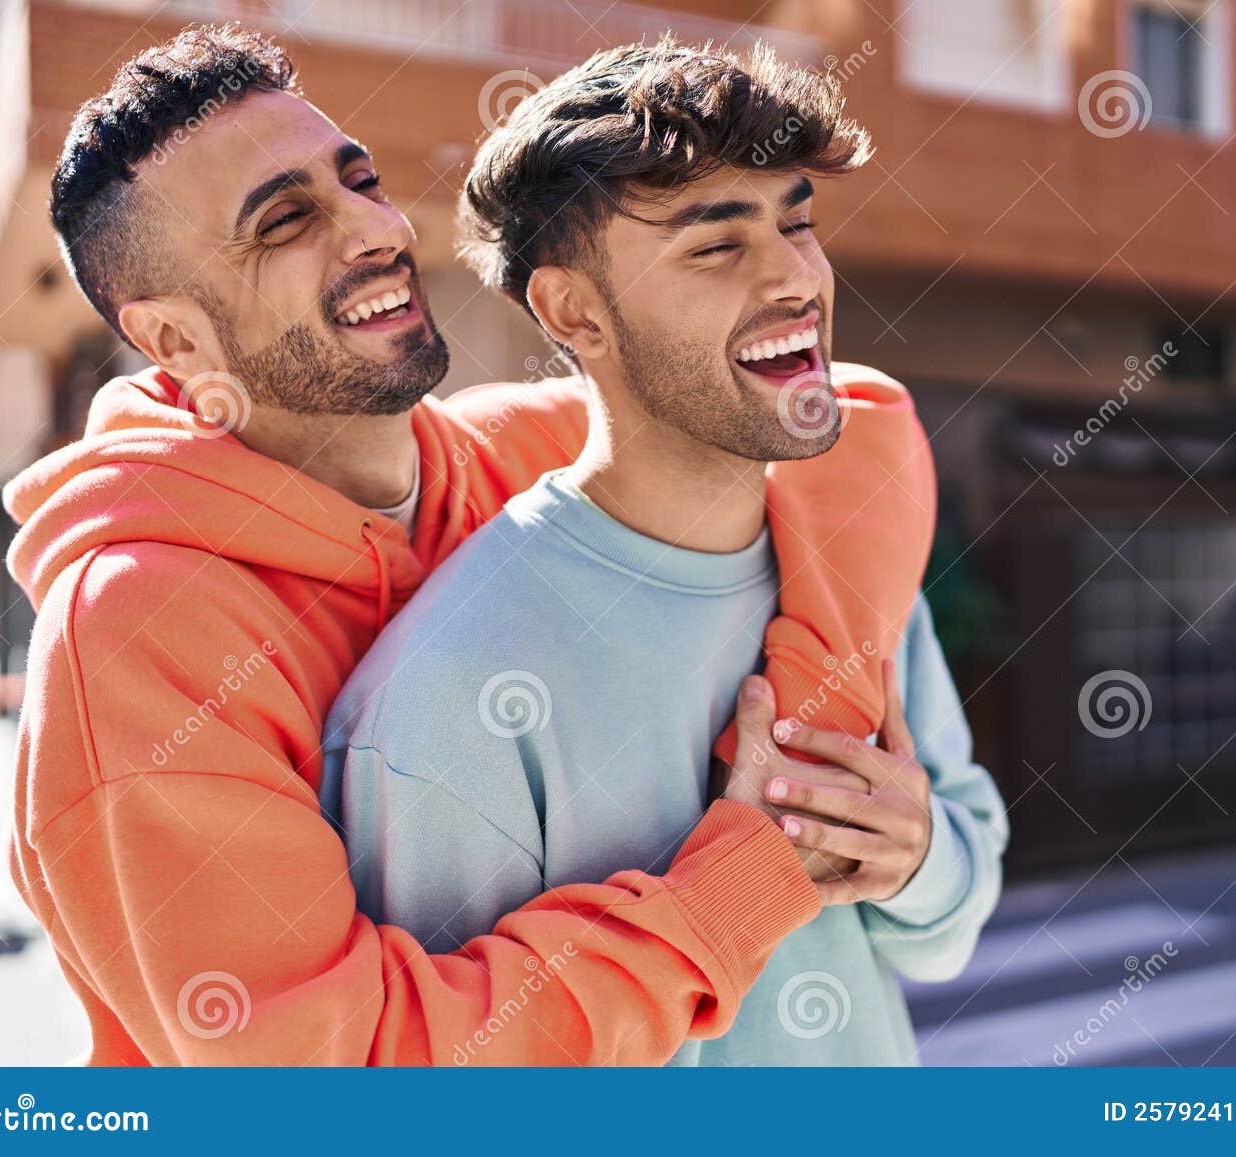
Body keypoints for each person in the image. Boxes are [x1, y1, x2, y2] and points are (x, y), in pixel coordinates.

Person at [4, 24, 935, 1065]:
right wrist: (746, 874)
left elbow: (849, 423)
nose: (372, 227)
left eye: (358, 178)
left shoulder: (495, 456)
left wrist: (813, 744)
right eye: (286, 220)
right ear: (177, 342)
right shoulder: (133, 638)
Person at [324, 40, 1008, 1066]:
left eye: (796, 221)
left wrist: (916, 858)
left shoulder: (844, 562)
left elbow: (952, 919)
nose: (796, 278)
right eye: (716, 245)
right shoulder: (448, 692)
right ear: (572, 311)